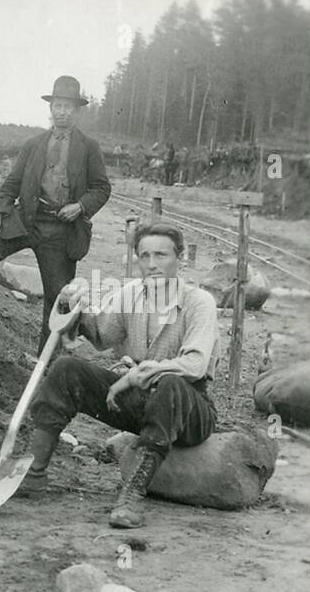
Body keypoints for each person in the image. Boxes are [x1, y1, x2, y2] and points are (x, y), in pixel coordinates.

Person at [18, 223, 219, 529]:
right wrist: (71, 306)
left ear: (180, 259)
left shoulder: (198, 302)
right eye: (145, 255)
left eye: (162, 255)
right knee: (66, 369)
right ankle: (33, 474)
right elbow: (101, 335)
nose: (152, 264)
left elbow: (195, 365)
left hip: (189, 408)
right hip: (142, 403)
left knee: (170, 384)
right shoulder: (131, 295)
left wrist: (134, 376)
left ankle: (132, 494)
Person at [0, 76, 112, 354]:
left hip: (61, 230)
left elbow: (102, 188)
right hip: (27, 219)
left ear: (77, 111)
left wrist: (80, 206)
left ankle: (46, 362)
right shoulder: (33, 144)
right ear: (51, 108)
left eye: (68, 106)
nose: (62, 111)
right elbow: (12, 182)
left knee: (58, 299)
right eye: (57, 105)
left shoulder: (88, 147)